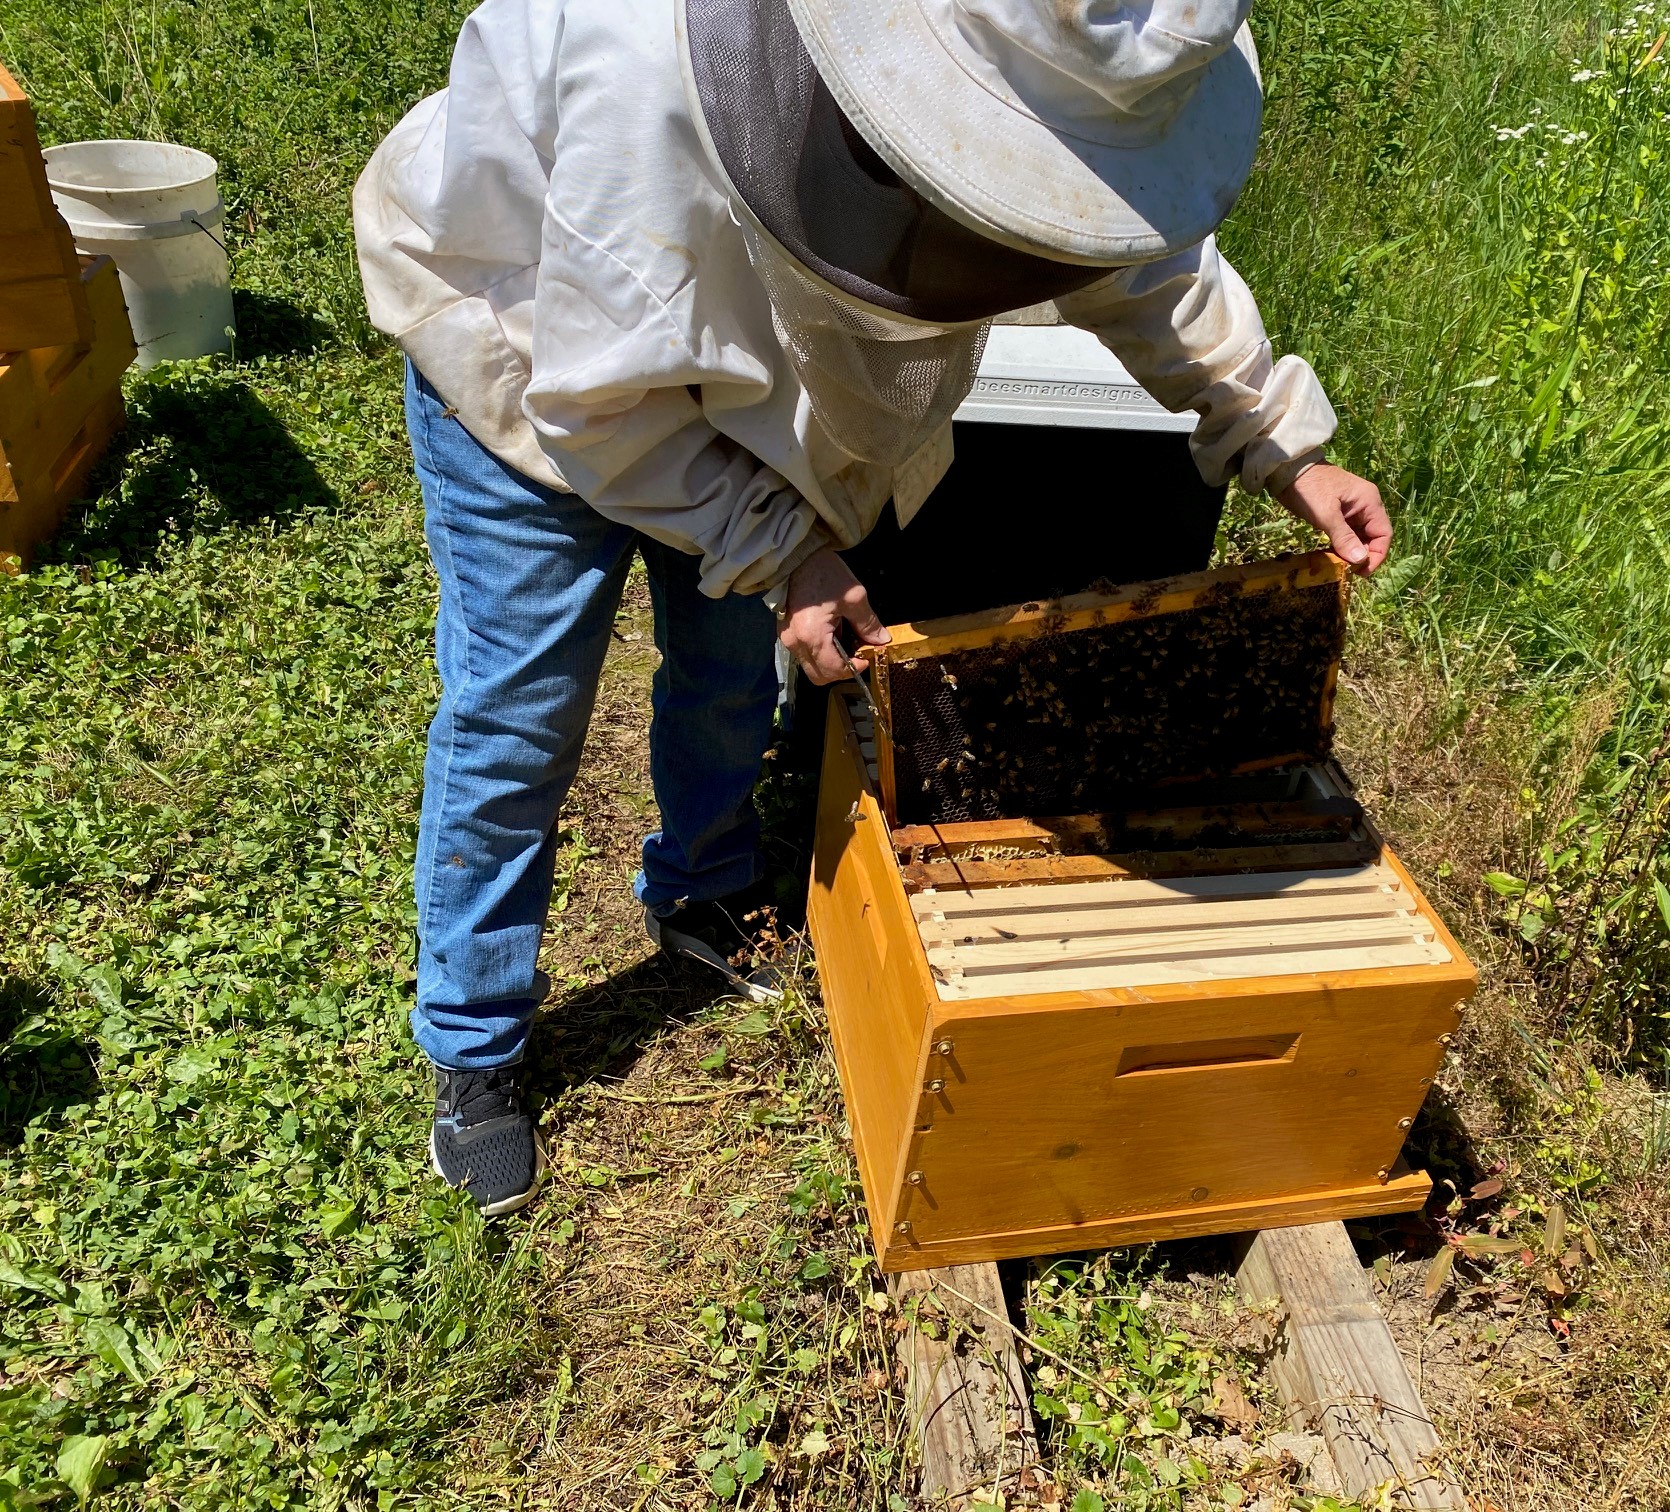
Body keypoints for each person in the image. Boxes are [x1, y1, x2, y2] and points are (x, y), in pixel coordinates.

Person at [352, 0, 1394, 1216]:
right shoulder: (637, 77)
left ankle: (702, 882)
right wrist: (779, 548)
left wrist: (1274, 437)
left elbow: (1131, 251)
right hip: (527, 339)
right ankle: (473, 1042)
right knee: (521, 709)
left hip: (732, 381)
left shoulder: (1044, 60)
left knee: (727, 668)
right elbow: (598, 404)